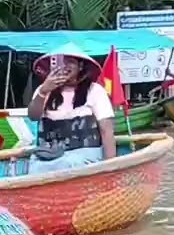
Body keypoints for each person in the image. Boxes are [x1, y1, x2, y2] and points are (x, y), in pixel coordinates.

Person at [25, 43, 117, 174]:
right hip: (48, 156)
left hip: (85, 157)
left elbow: (106, 130)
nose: (64, 66)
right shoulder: (43, 90)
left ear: (80, 66)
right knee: (35, 168)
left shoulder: (95, 90)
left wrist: (110, 168)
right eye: (60, 62)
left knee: (68, 164)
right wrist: (44, 91)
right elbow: (33, 116)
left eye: (70, 62)